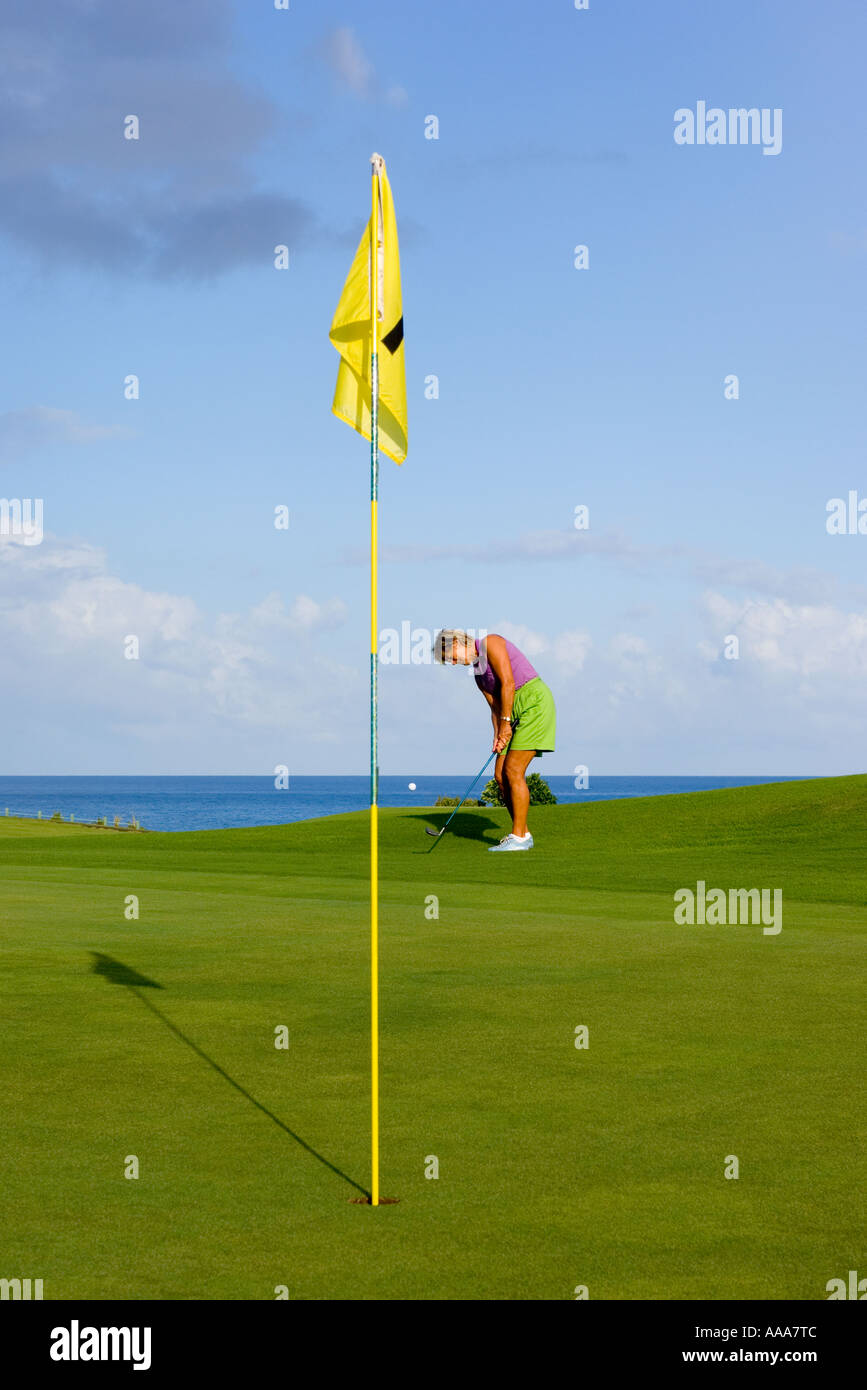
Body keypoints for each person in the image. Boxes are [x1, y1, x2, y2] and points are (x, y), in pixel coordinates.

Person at [433, 629, 557, 851]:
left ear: (457, 642)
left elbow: (508, 683)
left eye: (450, 657)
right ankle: (523, 833)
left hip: (533, 703)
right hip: (509, 714)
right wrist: (498, 735)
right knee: (500, 775)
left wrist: (506, 723)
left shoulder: (491, 643)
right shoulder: (478, 672)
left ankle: (518, 838)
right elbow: (495, 707)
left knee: (513, 771)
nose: (452, 663)